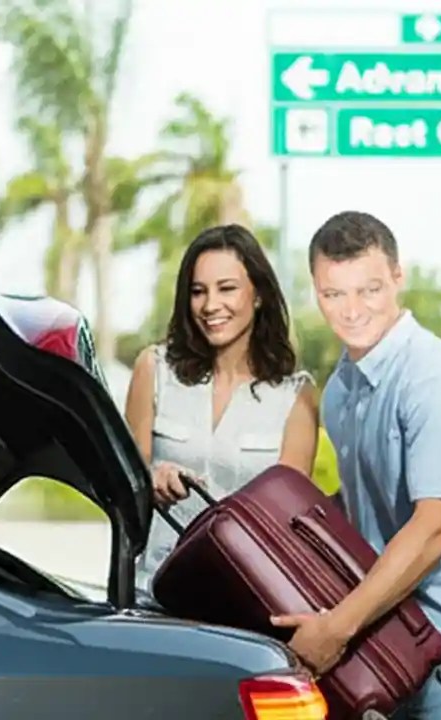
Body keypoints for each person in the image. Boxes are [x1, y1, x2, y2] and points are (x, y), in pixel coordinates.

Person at [269, 211, 441, 719]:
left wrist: (336, 628)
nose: (352, 310)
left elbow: (435, 527)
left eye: (368, 290)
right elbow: (363, 505)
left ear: (398, 278)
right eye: (334, 294)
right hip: (388, 650)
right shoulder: (343, 389)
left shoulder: (437, 382)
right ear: (316, 292)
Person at [124, 223, 319, 593]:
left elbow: (288, 522)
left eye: (226, 288)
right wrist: (151, 479)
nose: (211, 305)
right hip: (152, 596)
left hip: (244, 604)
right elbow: (121, 488)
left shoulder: (296, 395)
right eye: (198, 292)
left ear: (258, 294)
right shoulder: (154, 369)